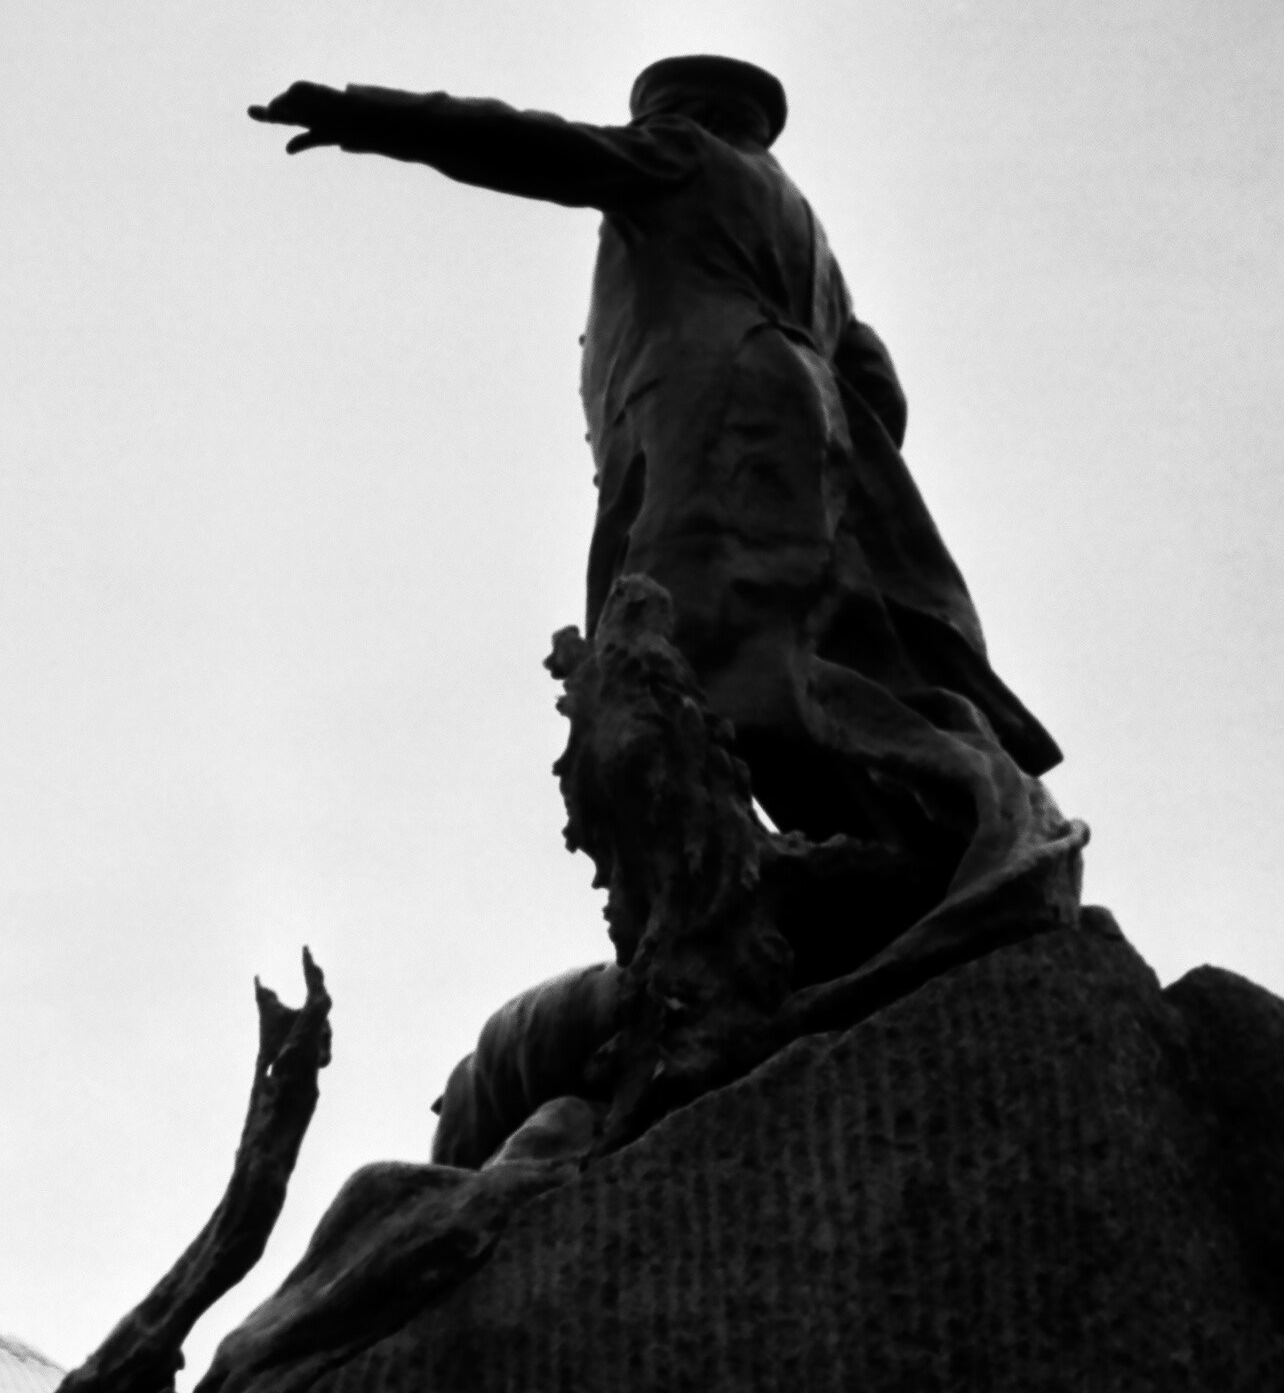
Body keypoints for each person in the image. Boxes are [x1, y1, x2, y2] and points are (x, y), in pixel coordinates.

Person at [249, 57, 1059, 871]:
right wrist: (825, 458)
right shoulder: (809, 239)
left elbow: (534, 146)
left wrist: (368, 116)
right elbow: (876, 386)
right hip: (777, 427)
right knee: (739, 658)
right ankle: (903, 843)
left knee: (683, 659)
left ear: (683, 112)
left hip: (705, 416)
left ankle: (950, 811)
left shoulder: (685, 155)